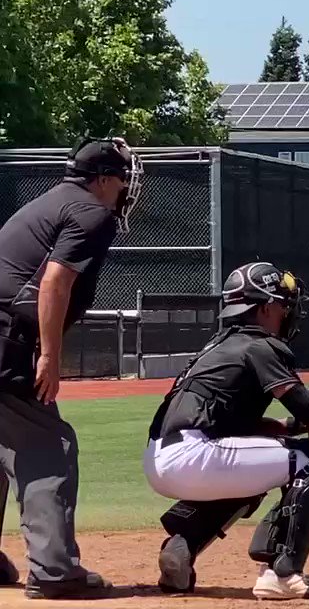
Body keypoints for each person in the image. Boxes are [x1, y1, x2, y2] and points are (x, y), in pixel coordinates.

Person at [142, 262, 309, 600]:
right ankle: (282, 574)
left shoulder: (217, 347)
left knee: (257, 470)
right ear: (265, 307)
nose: (288, 312)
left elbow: (249, 427)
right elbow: (308, 409)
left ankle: (182, 546)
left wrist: (308, 418)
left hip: (163, 459)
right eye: (284, 304)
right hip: (195, 455)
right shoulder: (260, 344)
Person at [0, 136, 142, 599]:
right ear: (101, 180)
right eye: (121, 179)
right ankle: (54, 572)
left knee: (3, 448)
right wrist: (50, 355)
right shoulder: (91, 212)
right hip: (7, 341)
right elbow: (54, 284)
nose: (124, 189)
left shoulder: (48, 203)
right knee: (47, 446)